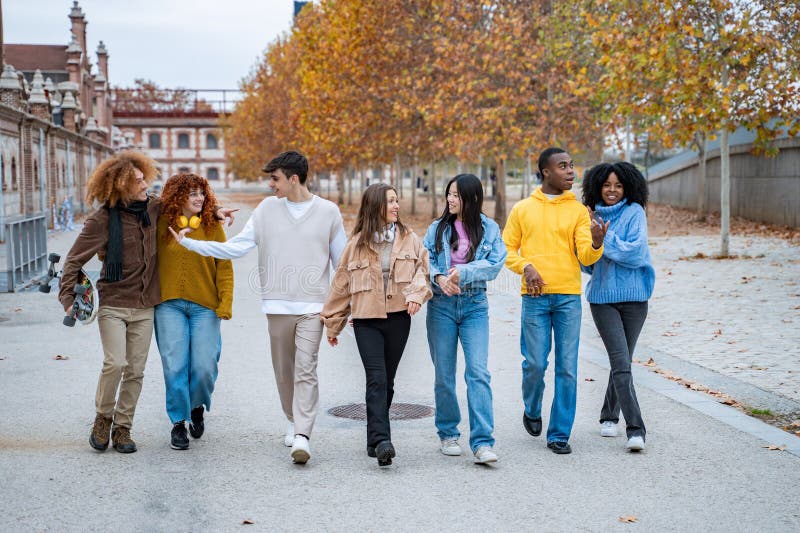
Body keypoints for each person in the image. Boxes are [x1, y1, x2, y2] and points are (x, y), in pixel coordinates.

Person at [171, 151, 345, 464]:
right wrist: (190, 244)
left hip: (312, 308)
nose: (270, 184)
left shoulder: (328, 212)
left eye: (275, 178)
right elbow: (236, 247)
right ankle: (292, 420)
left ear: (293, 178)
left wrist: (342, 309)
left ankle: (303, 435)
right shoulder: (267, 210)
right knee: (284, 371)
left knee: (306, 369)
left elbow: (342, 264)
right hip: (277, 306)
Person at [59, 152, 234, 454]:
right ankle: (115, 420)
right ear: (121, 187)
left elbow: (191, 204)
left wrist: (214, 210)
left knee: (154, 369)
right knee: (123, 363)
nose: (145, 185)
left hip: (147, 305)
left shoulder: (153, 210)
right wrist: (67, 299)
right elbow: (74, 260)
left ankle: (137, 423)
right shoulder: (110, 219)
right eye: (138, 182)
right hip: (123, 302)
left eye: (144, 179)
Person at [502, 147, 607, 455]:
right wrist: (526, 266)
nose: (571, 171)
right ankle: (532, 409)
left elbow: (586, 254)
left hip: (567, 298)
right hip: (534, 298)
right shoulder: (522, 209)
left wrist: (598, 242)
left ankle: (559, 433)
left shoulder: (577, 210)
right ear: (545, 172)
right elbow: (506, 250)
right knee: (534, 364)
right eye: (563, 166)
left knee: (567, 367)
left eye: (572, 165)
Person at [321, 183, 432, 467]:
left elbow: (422, 270)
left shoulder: (409, 238)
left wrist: (417, 296)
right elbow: (341, 285)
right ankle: (383, 440)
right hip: (366, 320)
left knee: (388, 381)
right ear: (375, 207)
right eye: (390, 201)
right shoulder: (356, 244)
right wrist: (333, 324)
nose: (396, 206)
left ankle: (374, 439)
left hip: (398, 317)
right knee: (377, 378)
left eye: (397, 200)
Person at [423, 174, 506, 464]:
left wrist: (464, 272)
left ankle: (482, 443)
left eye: (456, 195)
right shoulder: (437, 228)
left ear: (471, 198)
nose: (450, 199)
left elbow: (495, 264)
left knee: (478, 373)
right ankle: (448, 433)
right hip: (441, 306)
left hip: (474, 305)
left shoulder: (490, 229)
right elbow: (424, 261)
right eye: (449, 193)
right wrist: (440, 277)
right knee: (444, 375)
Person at [155, 173, 233, 450]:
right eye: (192, 194)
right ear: (178, 197)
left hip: (205, 306)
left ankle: (197, 404)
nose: (199, 198)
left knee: (203, 365)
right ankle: (178, 422)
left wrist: (225, 302)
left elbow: (224, 266)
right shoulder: (161, 224)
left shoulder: (213, 226)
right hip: (169, 304)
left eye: (202, 193)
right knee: (175, 364)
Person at [581, 161, 654, 452]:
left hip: (636, 300)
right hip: (603, 300)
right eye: (607, 185)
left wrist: (603, 238)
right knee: (621, 363)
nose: (612, 190)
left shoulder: (635, 212)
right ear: (597, 187)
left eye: (618, 185)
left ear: (627, 187)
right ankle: (635, 429)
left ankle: (608, 415)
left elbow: (636, 254)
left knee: (621, 362)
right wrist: (594, 245)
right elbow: (586, 264)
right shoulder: (589, 216)